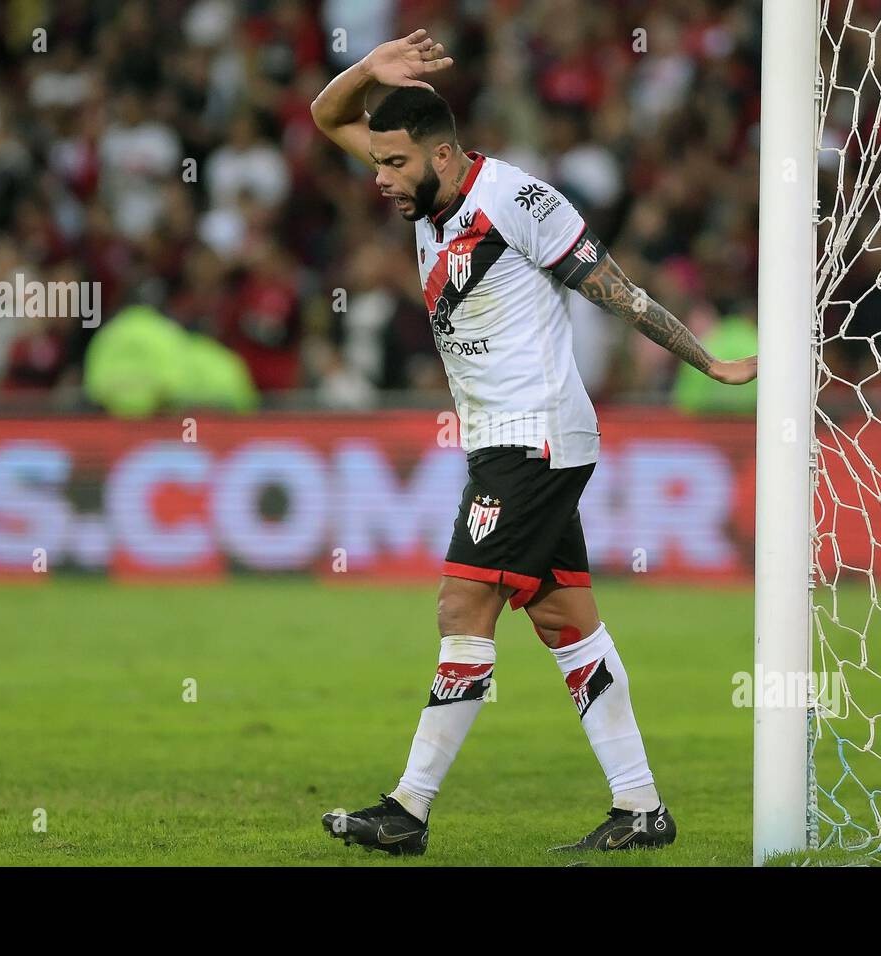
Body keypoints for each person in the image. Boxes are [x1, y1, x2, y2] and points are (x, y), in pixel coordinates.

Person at [310, 29, 757, 855]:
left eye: (396, 166)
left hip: (537, 439)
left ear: (443, 156)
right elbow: (323, 113)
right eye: (379, 165)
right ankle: (642, 809)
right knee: (566, 624)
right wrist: (369, 69)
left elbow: (616, 290)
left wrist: (711, 363)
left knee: (462, 605)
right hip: (499, 441)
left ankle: (407, 810)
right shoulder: (419, 188)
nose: (380, 181)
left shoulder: (517, 201)